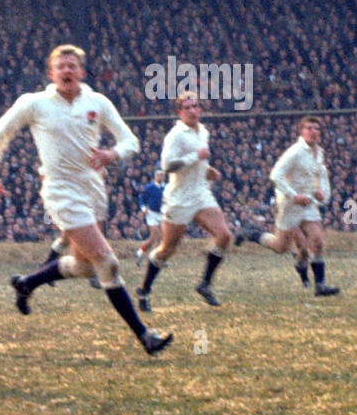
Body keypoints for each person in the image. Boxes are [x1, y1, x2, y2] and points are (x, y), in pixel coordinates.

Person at [0, 45, 173, 355]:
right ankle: (144, 336)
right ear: (51, 73)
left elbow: (130, 142)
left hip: (93, 188)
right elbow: (0, 131)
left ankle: (27, 283)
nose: (67, 71)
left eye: (72, 66)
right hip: (60, 189)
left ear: (82, 72)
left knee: (85, 266)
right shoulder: (35, 103)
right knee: (107, 261)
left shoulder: (97, 102)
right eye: (61, 67)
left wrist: (112, 153)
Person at [136, 92, 235, 310]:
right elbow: (167, 166)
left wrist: (207, 170)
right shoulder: (175, 135)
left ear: (200, 109)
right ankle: (144, 290)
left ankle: (205, 284)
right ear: (180, 112)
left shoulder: (203, 132)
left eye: (195, 106)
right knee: (167, 249)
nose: (192, 110)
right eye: (187, 107)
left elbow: (198, 161)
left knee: (225, 236)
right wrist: (195, 158)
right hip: (179, 199)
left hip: (200, 193)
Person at [240, 115, 341, 296]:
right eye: (309, 128)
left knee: (317, 241)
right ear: (301, 132)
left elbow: (320, 180)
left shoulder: (320, 153)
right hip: (289, 204)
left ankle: (321, 285)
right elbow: (275, 175)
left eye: (316, 129)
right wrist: (294, 196)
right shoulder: (294, 152)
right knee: (281, 247)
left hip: (308, 203)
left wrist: (319, 196)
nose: (313, 132)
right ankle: (253, 234)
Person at [135, 169, 166, 267]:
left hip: (162, 214)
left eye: (162, 175)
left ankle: (140, 252)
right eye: (159, 175)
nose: (160, 177)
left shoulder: (166, 187)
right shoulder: (150, 187)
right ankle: (158, 259)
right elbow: (142, 199)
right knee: (157, 235)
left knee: (153, 238)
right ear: (155, 176)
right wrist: (143, 208)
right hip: (151, 214)